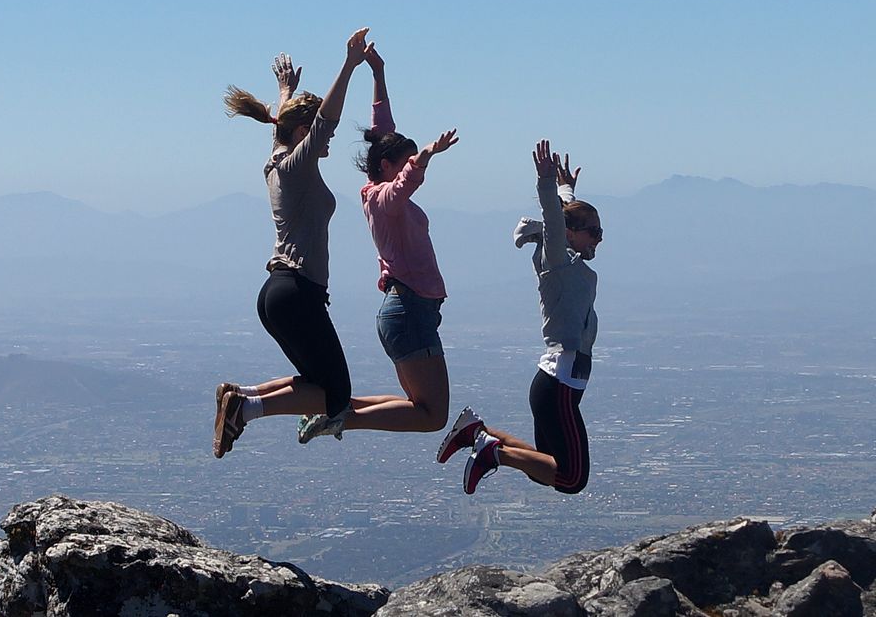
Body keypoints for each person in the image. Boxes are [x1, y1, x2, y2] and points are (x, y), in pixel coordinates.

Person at [215, 28, 401, 458]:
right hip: (297, 292)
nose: (329, 140)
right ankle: (245, 408)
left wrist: (285, 91)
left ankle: (239, 394)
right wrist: (349, 66)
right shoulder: (298, 165)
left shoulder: (277, 160)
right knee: (335, 397)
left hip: (280, 292)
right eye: (318, 133)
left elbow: (286, 126)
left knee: (319, 386)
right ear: (304, 131)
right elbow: (325, 121)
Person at [296, 45, 458, 442]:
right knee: (432, 414)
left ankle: (335, 409)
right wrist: (424, 158)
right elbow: (401, 185)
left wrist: (378, 73)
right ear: (387, 168)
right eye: (400, 164)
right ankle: (340, 417)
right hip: (409, 312)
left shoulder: (384, 187)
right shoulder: (381, 199)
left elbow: (382, 131)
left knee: (420, 406)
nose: (407, 168)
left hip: (410, 312)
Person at [438, 139, 602, 495]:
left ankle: (476, 433)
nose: (599, 239)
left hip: (558, 385)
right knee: (571, 479)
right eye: (594, 232)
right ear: (571, 234)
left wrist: (565, 188)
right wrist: (546, 186)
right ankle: (492, 453)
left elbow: (565, 219)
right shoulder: (557, 261)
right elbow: (556, 222)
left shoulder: (567, 259)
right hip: (559, 383)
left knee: (546, 467)